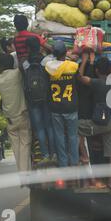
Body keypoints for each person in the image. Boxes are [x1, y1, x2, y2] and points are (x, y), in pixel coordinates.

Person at [78, 54, 111, 189]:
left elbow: (79, 78)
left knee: (76, 127)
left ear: (96, 71)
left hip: (98, 123)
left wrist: (85, 61)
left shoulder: (96, 82)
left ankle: (85, 157)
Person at [0, 53, 32, 176]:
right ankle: (26, 173)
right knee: (25, 144)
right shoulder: (17, 74)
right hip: (22, 116)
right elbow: (23, 64)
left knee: (16, 147)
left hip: (10, 120)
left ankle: (22, 173)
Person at [45, 40, 79, 168]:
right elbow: (77, 72)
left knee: (59, 137)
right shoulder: (72, 66)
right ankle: (74, 163)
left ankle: (63, 164)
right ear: (65, 53)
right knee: (72, 137)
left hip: (56, 108)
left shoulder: (48, 67)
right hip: (71, 107)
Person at [23, 37, 56, 163]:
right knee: (49, 126)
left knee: (40, 128)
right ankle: (54, 153)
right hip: (46, 97)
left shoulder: (25, 64)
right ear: (39, 47)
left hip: (32, 100)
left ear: (28, 48)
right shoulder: (46, 61)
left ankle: (45, 155)